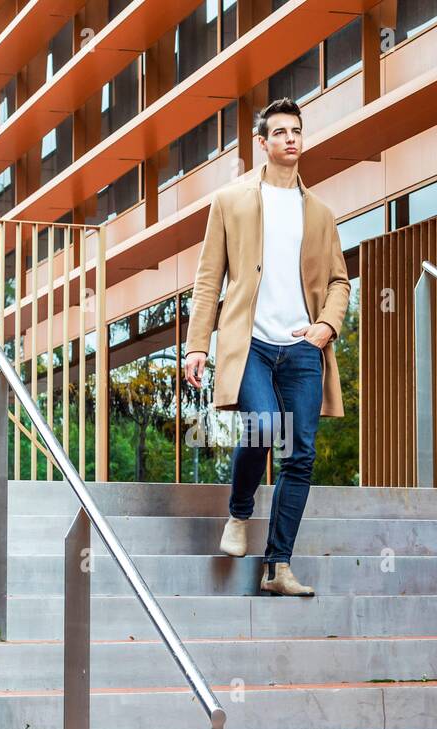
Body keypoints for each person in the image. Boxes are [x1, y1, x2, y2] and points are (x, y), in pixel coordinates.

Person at [182, 97, 350, 596]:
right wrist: (197, 347)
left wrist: (325, 327)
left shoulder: (319, 212)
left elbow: (340, 280)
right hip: (251, 343)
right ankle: (238, 513)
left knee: (299, 456)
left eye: (296, 131)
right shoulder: (231, 201)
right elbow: (209, 279)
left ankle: (278, 566)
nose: (290, 139)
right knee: (262, 427)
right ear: (262, 142)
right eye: (279, 132)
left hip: (302, 349)